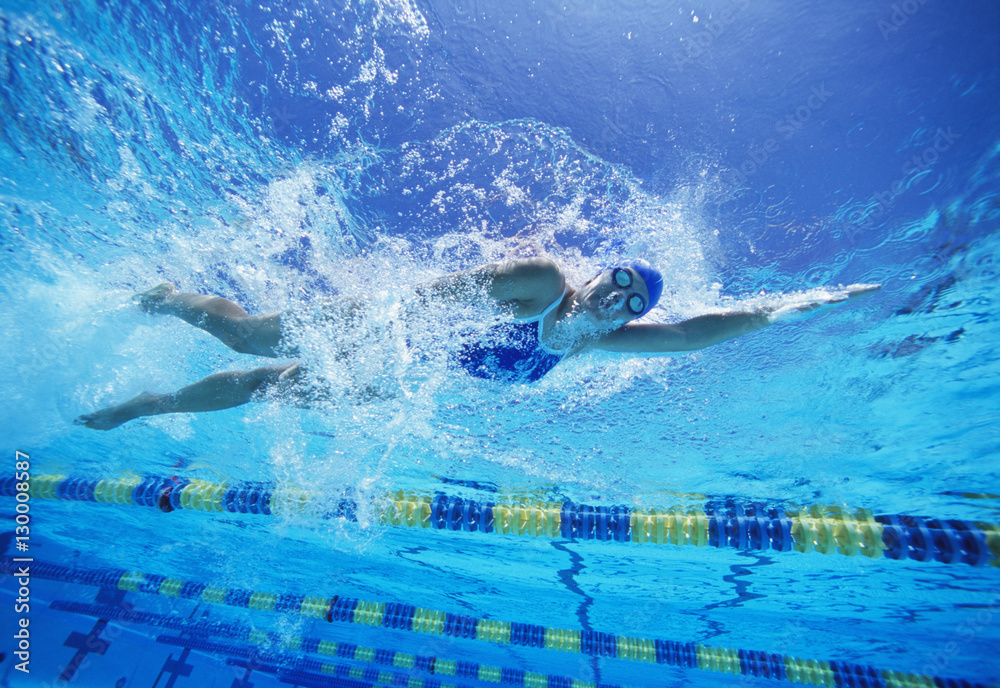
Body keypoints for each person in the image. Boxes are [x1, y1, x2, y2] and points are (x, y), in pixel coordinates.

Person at [75, 257, 879, 430]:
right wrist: (378, 328)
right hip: (389, 324)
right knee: (249, 333)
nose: (614, 302)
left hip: (404, 369)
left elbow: (705, 333)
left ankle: (154, 403)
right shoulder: (541, 283)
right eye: (614, 283)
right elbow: (443, 291)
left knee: (274, 388)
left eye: (630, 304)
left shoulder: (592, 348)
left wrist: (806, 301)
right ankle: (171, 296)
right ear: (594, 279)